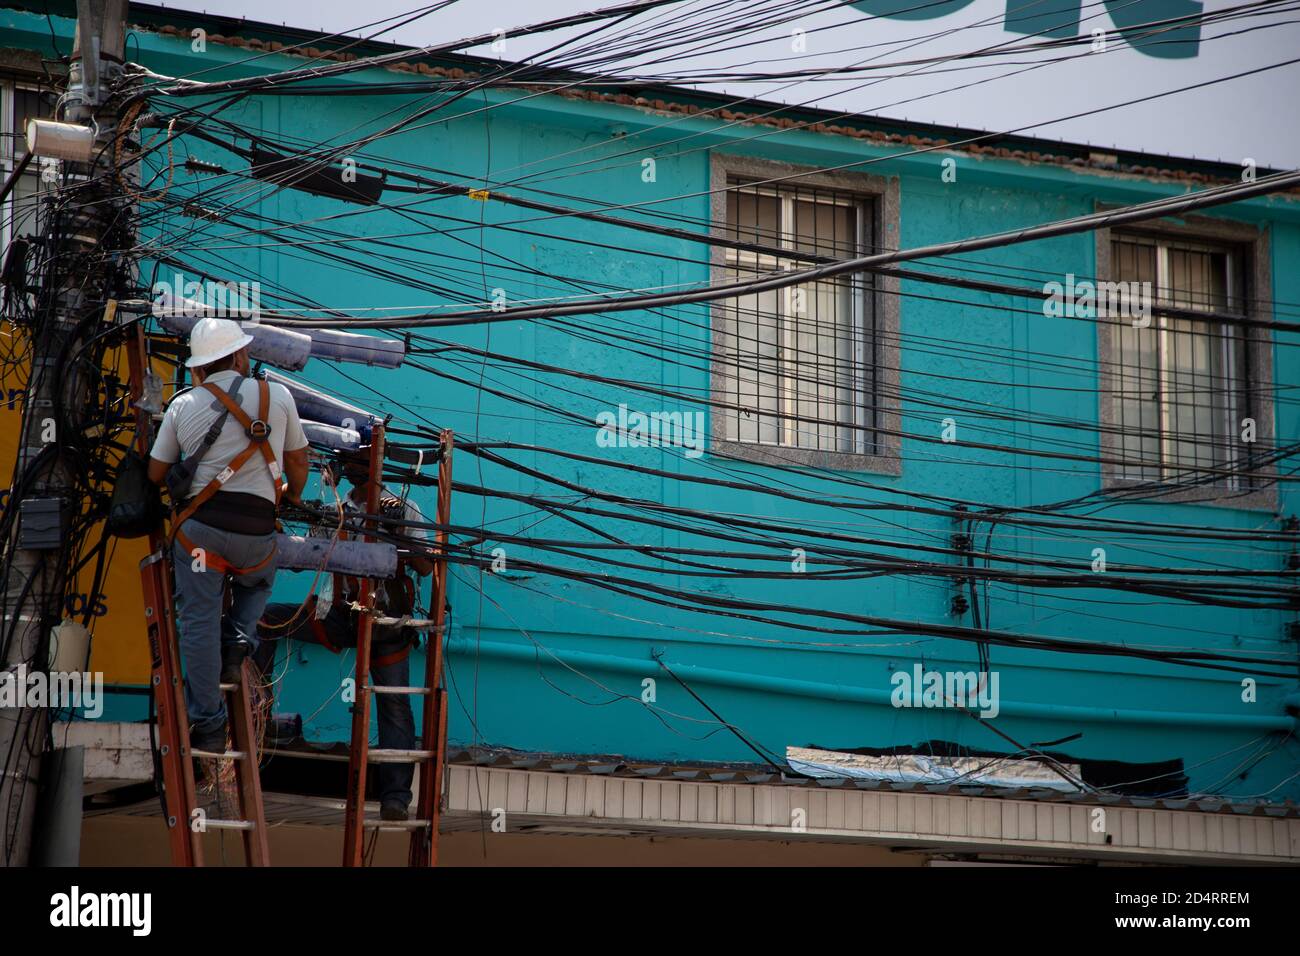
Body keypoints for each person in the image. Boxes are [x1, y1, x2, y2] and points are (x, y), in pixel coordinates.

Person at [147, 317, 309, 753]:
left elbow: (156, 472)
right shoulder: (278, 396)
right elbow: (298, 462)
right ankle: (238, 643)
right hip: (256, 535)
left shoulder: (183, 404)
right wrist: (292, 496)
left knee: (197, 624)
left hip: (201, 538)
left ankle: (209, 725)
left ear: (199, 369)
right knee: (257, 582)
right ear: (241, 357)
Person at [258, 448, 434, 820]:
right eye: (348, 464)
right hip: (339, 613)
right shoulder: (335, 508)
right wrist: (304, 514)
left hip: (386, 622)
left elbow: (424, 565)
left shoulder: (404, 505)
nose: (351, 470)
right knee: (266, 618)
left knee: (395, 706)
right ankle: (260, 717)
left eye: (359, 464)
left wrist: (394, 524)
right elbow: (306, 558)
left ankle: (396, 797)